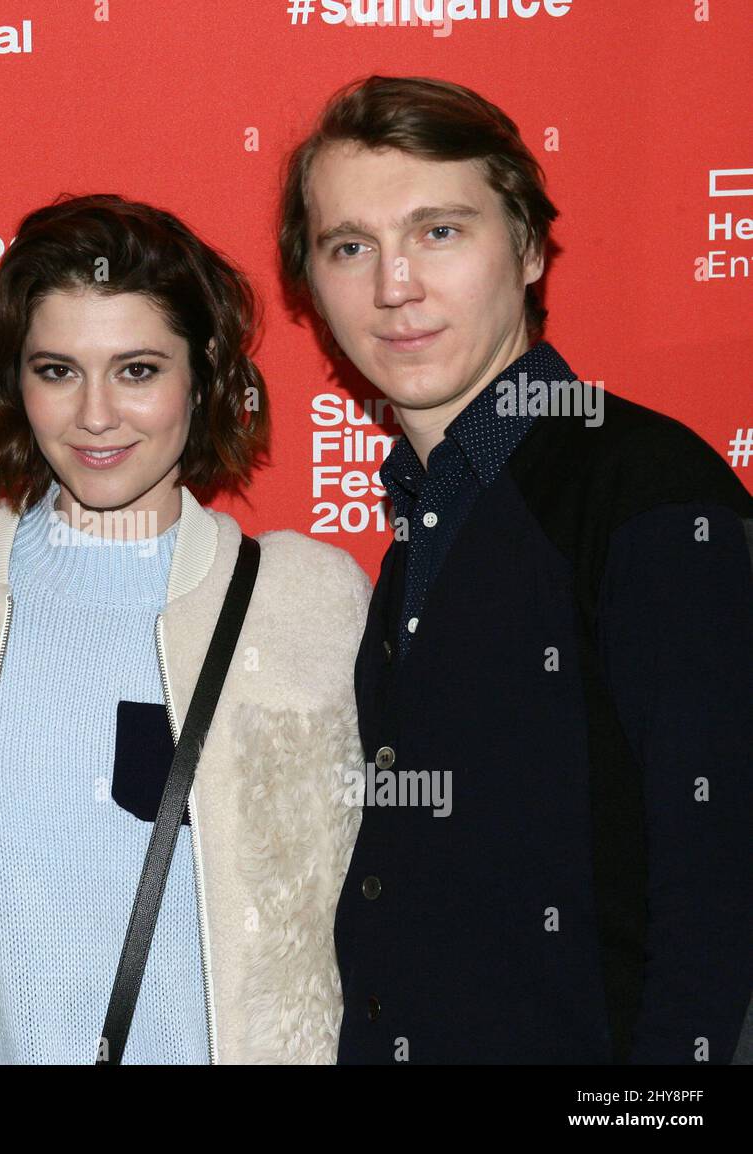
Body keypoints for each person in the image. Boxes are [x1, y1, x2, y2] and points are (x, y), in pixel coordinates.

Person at [0, 193, 370, 1064]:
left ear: (205, 372)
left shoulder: (305, 602)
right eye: (57, 370)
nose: (96, 415)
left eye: (138, 369)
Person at [279, 74, 753, 1064]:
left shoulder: (646, 489)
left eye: (439, 232)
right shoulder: (423, 530)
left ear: (530, 249)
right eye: (349, 246)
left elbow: (722, 877)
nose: (393, 285)